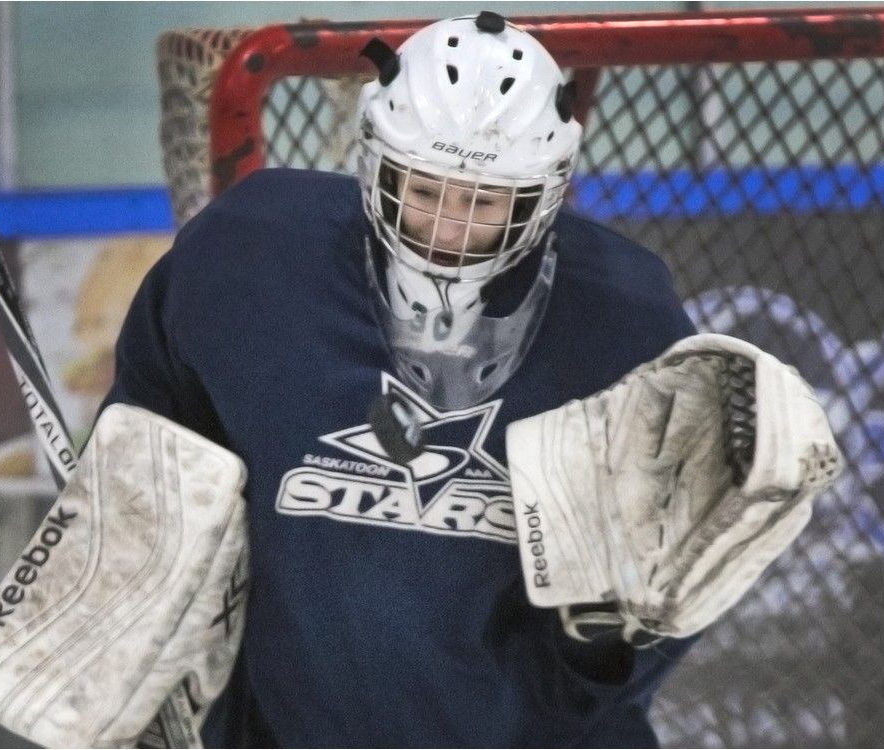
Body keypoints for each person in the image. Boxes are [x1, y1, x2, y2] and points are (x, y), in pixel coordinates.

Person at [102, 12, 697, 747]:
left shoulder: (626, 323)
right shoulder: (247, 257)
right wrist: (131, 560)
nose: (446, 231)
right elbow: (151, 426)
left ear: (545, 192)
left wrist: (614, 635)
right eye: (421, 188)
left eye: (483, 203)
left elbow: (631, 633)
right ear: (374, 156)